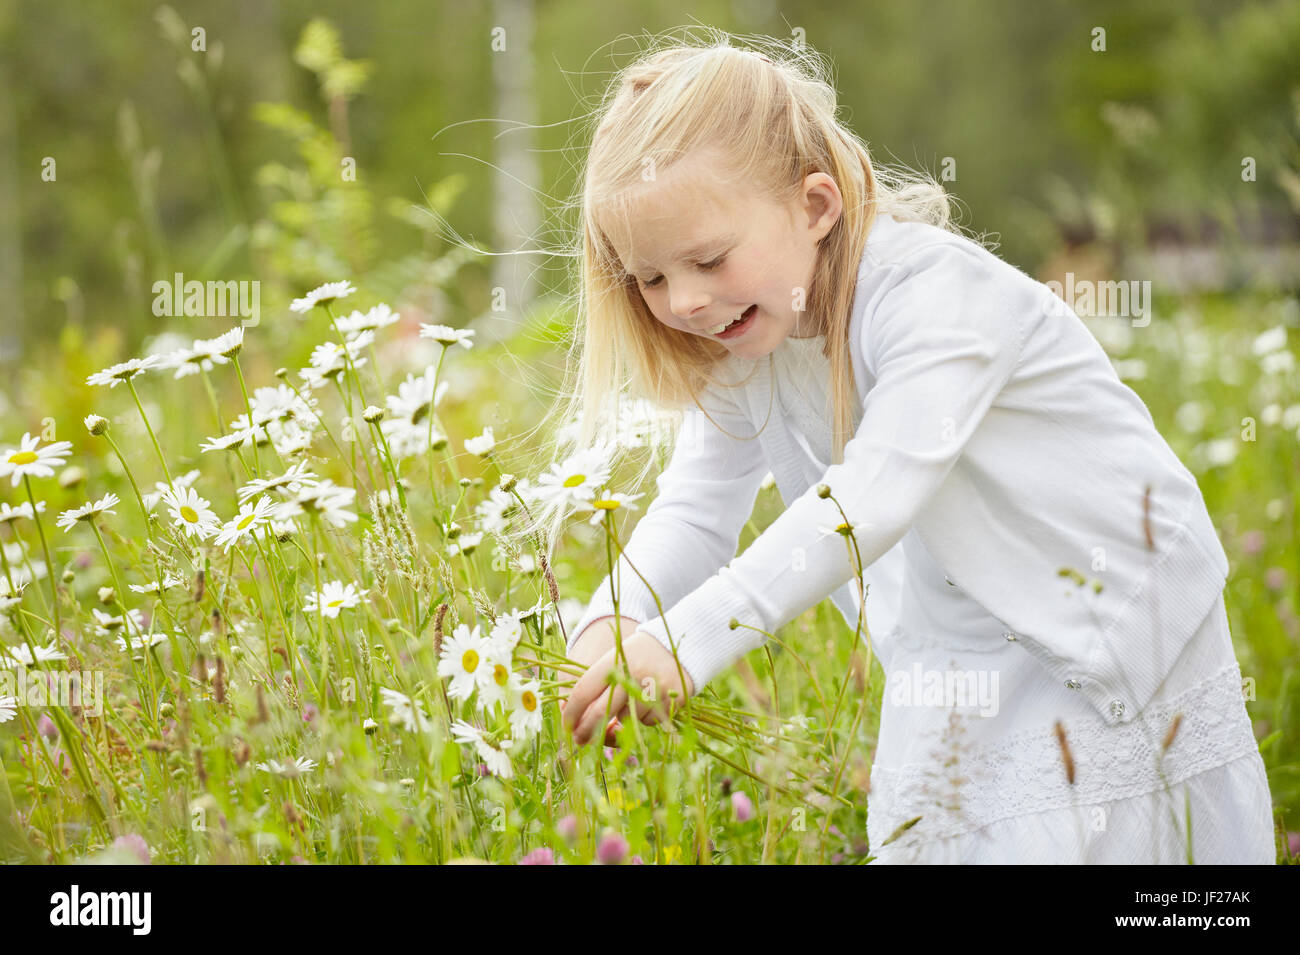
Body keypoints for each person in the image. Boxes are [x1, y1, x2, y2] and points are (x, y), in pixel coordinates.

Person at [524, 35, 1274, 863]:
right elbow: (697, 511)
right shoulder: (749, 338)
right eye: (652, 279)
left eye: (707, 259)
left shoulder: (933, 295)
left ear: (815, 205)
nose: (687, 301)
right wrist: (613, 621)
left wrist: (685, 642)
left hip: (1112, 627)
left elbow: (875, 496)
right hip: (959, 644)